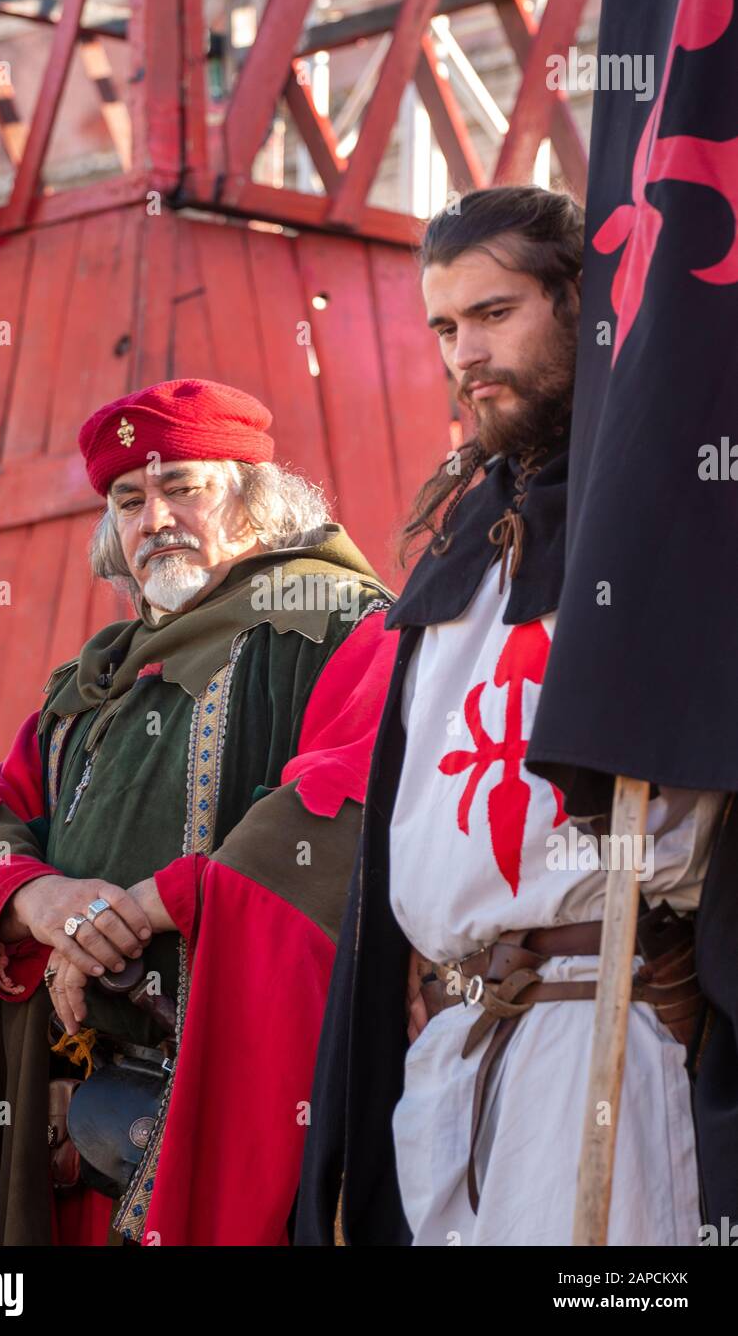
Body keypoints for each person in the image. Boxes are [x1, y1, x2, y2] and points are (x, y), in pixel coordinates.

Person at [296, 187, 725, 1247]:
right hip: (450, 1041)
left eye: (493, 314)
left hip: (603, 1032)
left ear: (580, 303)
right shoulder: (459, 537)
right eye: (444, 326)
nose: (463, 353)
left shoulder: (666, 515)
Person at [0, 377, 398, 1246]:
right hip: (73, 1148)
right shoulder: (88, 685)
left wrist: (146, 908)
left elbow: (344, 807)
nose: (154, 518)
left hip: (233, 1117)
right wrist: (39, 902)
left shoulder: (344, 629)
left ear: (256, 502)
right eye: (130, 499)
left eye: (183, 487)